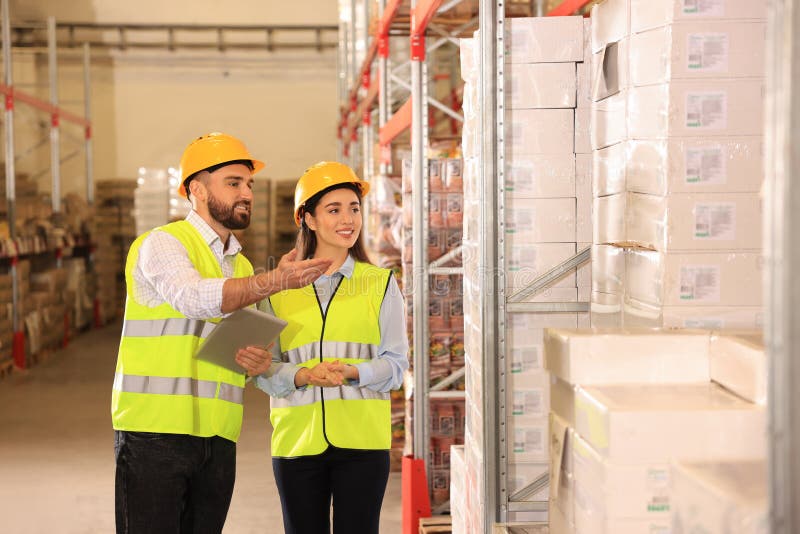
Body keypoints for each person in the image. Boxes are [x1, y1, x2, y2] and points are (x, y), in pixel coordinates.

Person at [111, 132, 332, 534]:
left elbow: (240, 354)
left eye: (249, 184)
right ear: (196, 190)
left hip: (217, 439)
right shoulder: (161, 244)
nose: (246, 193)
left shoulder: (242, 267)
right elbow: (193, 298)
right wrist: (275, 282)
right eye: (233, 183)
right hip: (154, 434)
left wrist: (259, 363)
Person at [255, 161, 409, 534]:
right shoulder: (277, 287)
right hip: (296, 442)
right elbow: (263, 370)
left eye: (354, 208)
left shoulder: (380, 283)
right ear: (307, 218)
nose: (348, 219)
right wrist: (303, 375)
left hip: (363, 443)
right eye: (334, 209)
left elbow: (397, 366)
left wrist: (355, 373)